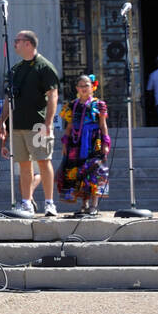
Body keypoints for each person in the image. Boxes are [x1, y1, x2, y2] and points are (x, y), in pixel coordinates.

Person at [0, 29, 60, 217]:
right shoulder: (15, 69)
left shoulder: (44, 67)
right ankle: (27, 202)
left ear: (28, 43)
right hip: (17, 124)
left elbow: (53, 96)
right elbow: (8, 98)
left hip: (38, 125)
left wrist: (48, 124)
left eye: (17, 41)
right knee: (24, 165)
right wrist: (2, 121)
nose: (14, 44)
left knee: (43, 162)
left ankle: (49, 203)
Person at [57, 75, 111, 217]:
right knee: (79, 171)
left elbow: (102, 124)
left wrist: (106, 142)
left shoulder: (99, 104)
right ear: (77, 88)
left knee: (94, 171)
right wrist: (65, 142)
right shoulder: (72, 105)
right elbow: (69, 126)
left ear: (92, 86)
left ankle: (94, 205)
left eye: (86, 85)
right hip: (76, 142)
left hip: (94, 140)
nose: (83, 88)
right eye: (81, 85)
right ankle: (84, 204)